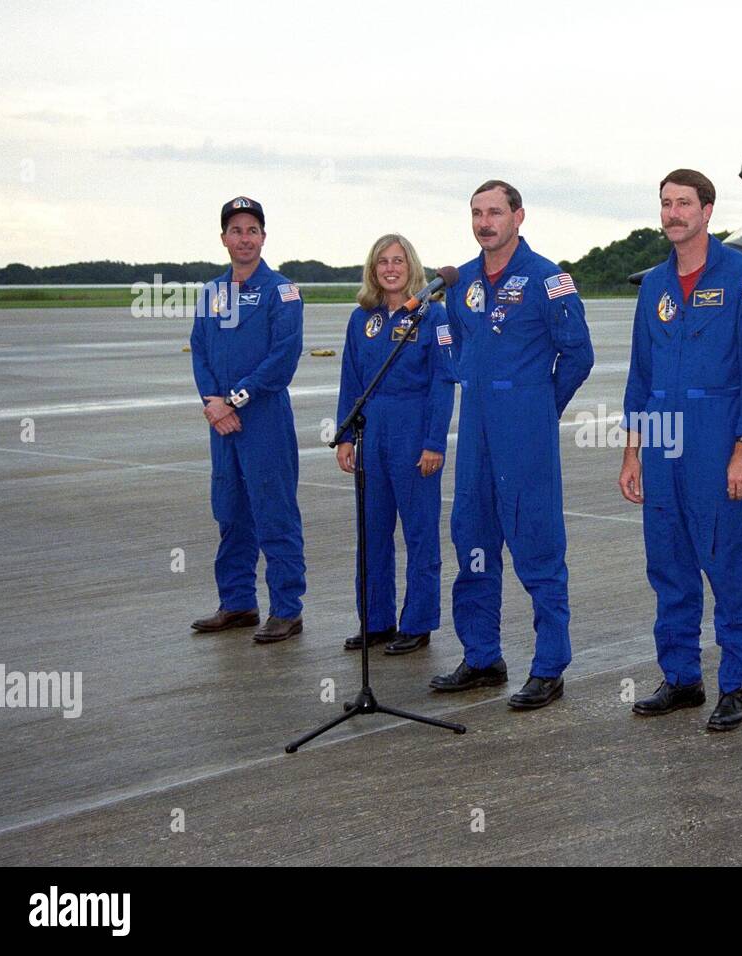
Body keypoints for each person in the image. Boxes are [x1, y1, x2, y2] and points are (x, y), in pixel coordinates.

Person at [619, 169, 742, 731]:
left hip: (717, 439)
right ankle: (682, 677)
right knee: (669, 566)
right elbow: (641, 373)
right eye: (665, 203)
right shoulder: (655, 285)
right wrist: (632, 451)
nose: (673, 213)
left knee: (727, 564)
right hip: (660, 441)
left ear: (707, 211)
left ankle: (735, 684)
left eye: (683, 203)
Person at [431, 180, 594, 710]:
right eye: (476, 213)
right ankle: (482, 656)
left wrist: (541, 406)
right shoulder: (462, 283)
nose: (484, 222)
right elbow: (456, 342)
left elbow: (578, 354)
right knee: (472, 541)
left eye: (494, 212)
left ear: (518, 217)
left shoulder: (549, 280)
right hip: (476, 430)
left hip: (525, 432)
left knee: (538, 547)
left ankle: (549, 666)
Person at [189, 196, 306, 643]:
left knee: (274, 512)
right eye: (235, 230)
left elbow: (283, 358)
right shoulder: (212, 292)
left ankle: (287, 608)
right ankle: (237, 602)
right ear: (224, 239)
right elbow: (200, 350)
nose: (244, 238)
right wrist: (213, 403)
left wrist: (234, 401)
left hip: (263, 418)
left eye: (252, 230)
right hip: (221, 421)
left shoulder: (282, 292)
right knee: (231, 512)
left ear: (263, 237)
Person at [334, 234, 455, 655]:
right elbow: (350, 378)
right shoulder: (360, 319)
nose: (390, 268)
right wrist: (345, 435)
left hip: (413, 429)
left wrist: (434, 441)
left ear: (412, 266)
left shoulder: (432, 317)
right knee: (372, 532)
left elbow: (443, 382)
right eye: (382, 261)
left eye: (398, 261)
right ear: (373, 269)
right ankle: (377, 620)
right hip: (371, 430)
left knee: (419, 532)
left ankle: (417, 622)